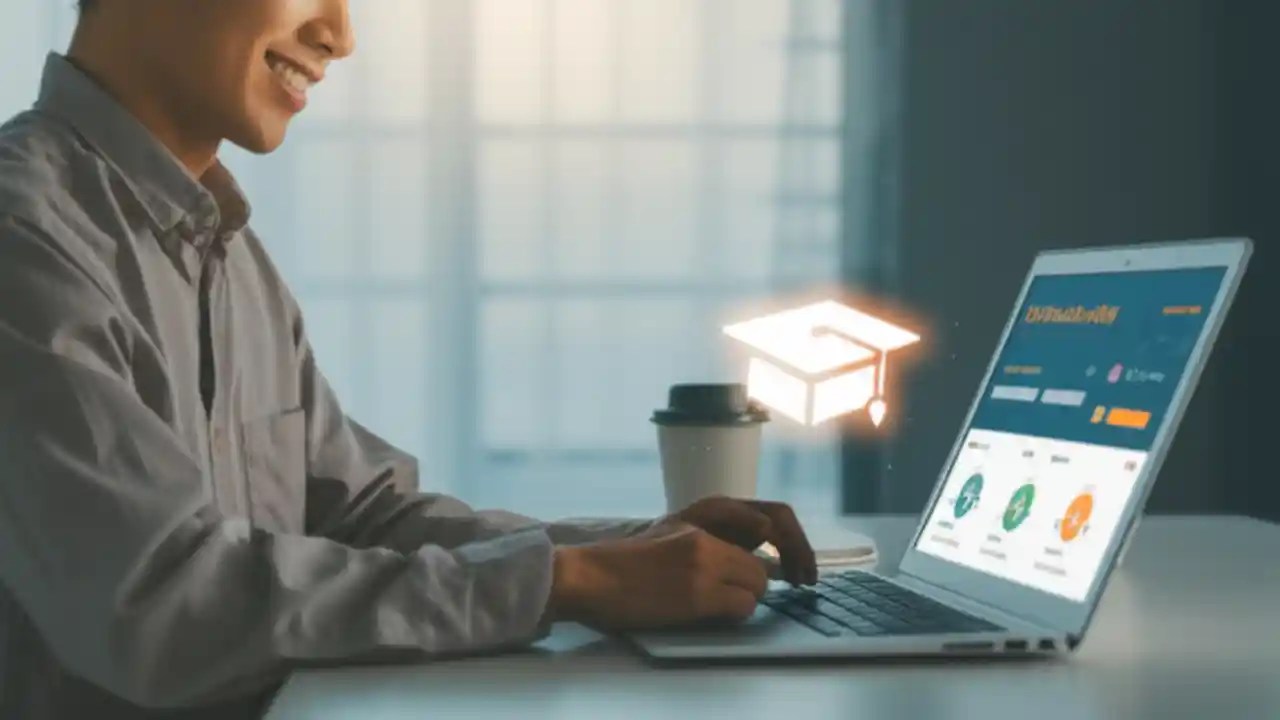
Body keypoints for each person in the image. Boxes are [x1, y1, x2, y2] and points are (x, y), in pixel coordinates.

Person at [0, 1, 818, 718]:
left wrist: (631, 549)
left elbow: (364, 518)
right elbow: (160, 606)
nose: (341, 34)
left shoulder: (228, 254)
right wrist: (568, 582)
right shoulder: (24, 239)